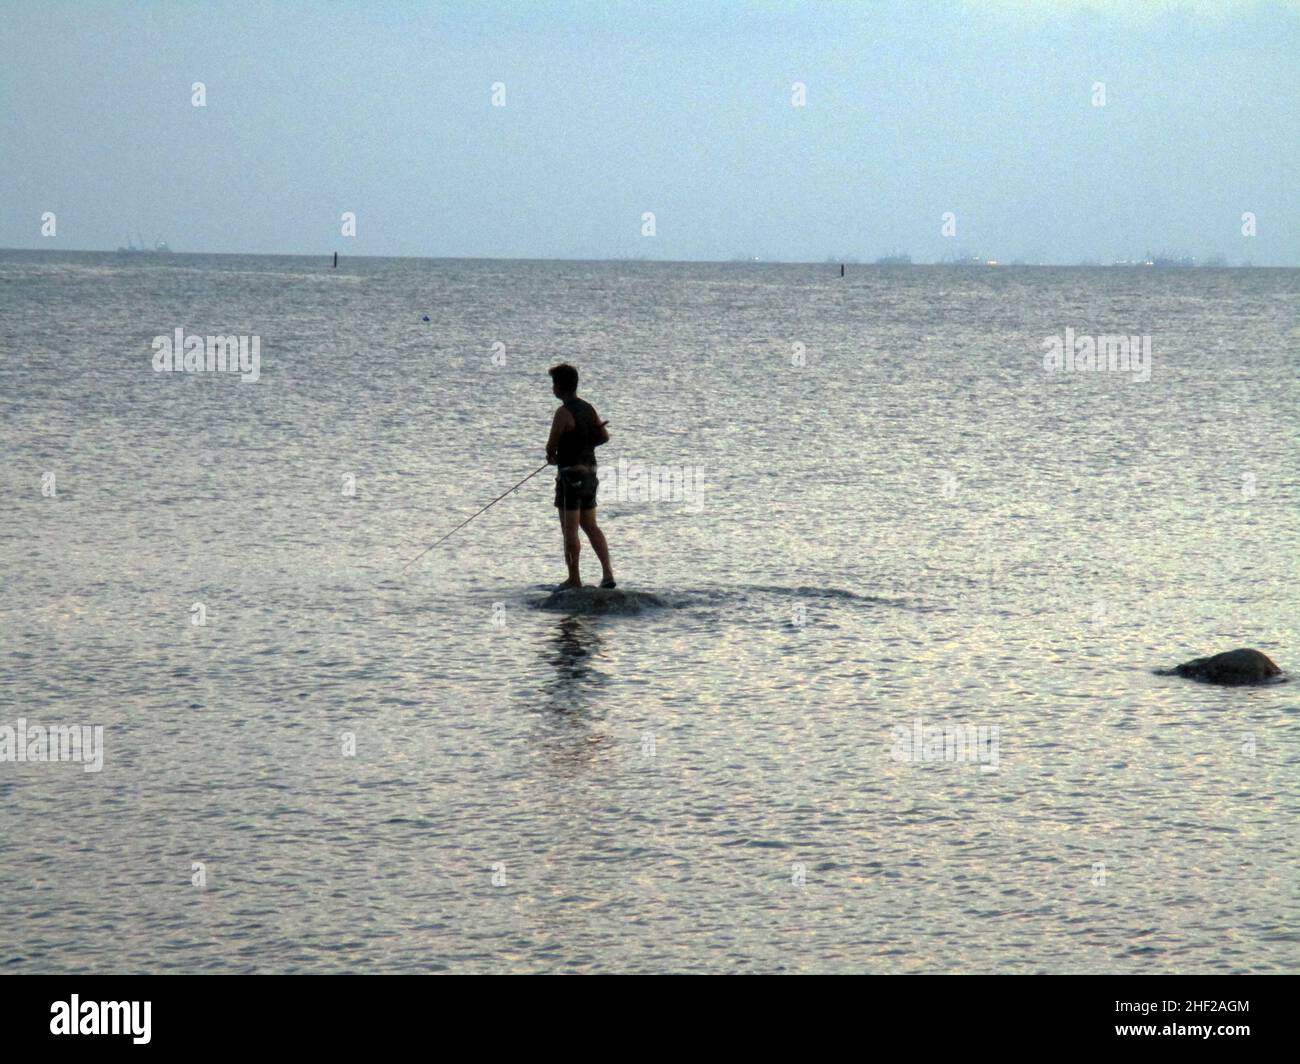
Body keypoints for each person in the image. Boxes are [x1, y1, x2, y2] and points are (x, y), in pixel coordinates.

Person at [545, 363, 615, 590]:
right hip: (590, 475)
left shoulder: (563, 413)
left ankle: (574, 578)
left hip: (570, 477)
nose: (552, 388)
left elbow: (551, 445)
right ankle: (608, 574)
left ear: (558, 387)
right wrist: (585, 442)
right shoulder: (588, 408)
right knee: (591, 526)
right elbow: (604, 437)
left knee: (570, 530)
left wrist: (552, 456)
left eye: (553, 384)